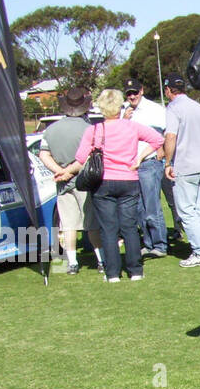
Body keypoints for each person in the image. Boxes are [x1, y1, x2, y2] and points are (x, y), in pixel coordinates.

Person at [56, 88, 165, 282]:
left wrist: (66, 172)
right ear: (119, 106)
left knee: (108, 228)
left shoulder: (94, 130)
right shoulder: (132, 126)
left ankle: (113, 273)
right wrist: (139, 158)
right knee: (130, 227)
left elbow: (80, 158)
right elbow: (158, 139)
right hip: (128, 179)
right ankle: (136, 270)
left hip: (103, 182)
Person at [38, 86, 100, 274]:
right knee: (92, 223)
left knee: (68, 224)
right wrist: (69, 171)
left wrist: (60, 171)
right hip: (85, 181)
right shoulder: (90, 129)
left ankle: (72, 263)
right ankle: (101, 260)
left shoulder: (51, 130)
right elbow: (91, 158)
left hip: (62, 182)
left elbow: (43, 154)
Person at [162, 74, 200, 268]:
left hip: (186, 166)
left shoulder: (173, 108)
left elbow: (170, 136)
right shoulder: (198, 107)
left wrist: (168, 162)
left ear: (169, 90)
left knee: (187, 211)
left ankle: (199, 251)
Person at [120, 78, 170, 259]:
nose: (132, 96)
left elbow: (166, 132)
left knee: (152, 205)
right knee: (139, 207)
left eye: (135, 92)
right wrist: (124, 119)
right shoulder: (123, 111)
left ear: (141, 91)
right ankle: (148, 243)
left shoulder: (154, 110)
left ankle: (160, 244)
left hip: (149, 163)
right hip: (131, 165)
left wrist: (162, 150)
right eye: (129, 93)